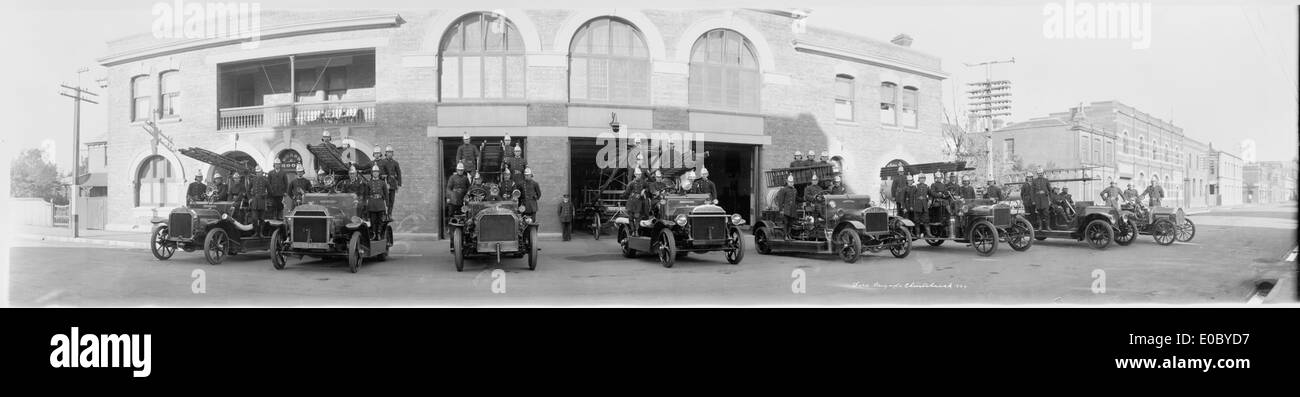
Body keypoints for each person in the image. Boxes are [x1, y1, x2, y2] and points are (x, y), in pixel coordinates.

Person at [624, 167, 648, 235]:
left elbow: (648, 187)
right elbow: (627, 192)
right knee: (631, 218)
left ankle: (636, 231)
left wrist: (644, 190)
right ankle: (632, 230)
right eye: (637, 174)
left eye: (640, 174)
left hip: (639, 202)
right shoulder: (631, 183)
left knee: (637, 217)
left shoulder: (643, 182)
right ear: (635, 174)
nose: (639, 176)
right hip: (631, 202)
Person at [381, 145, 402, 214]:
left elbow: (399, 173)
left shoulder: (395, 163)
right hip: (384, 183)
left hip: (392, 184)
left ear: (392, 153)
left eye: (391, 152)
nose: (389, 153)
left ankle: (389, 214)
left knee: (391, 200)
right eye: (388, 152)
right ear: (386, 153)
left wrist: (398, 184)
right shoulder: (382, 161)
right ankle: (384, 214)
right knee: (383, 200)